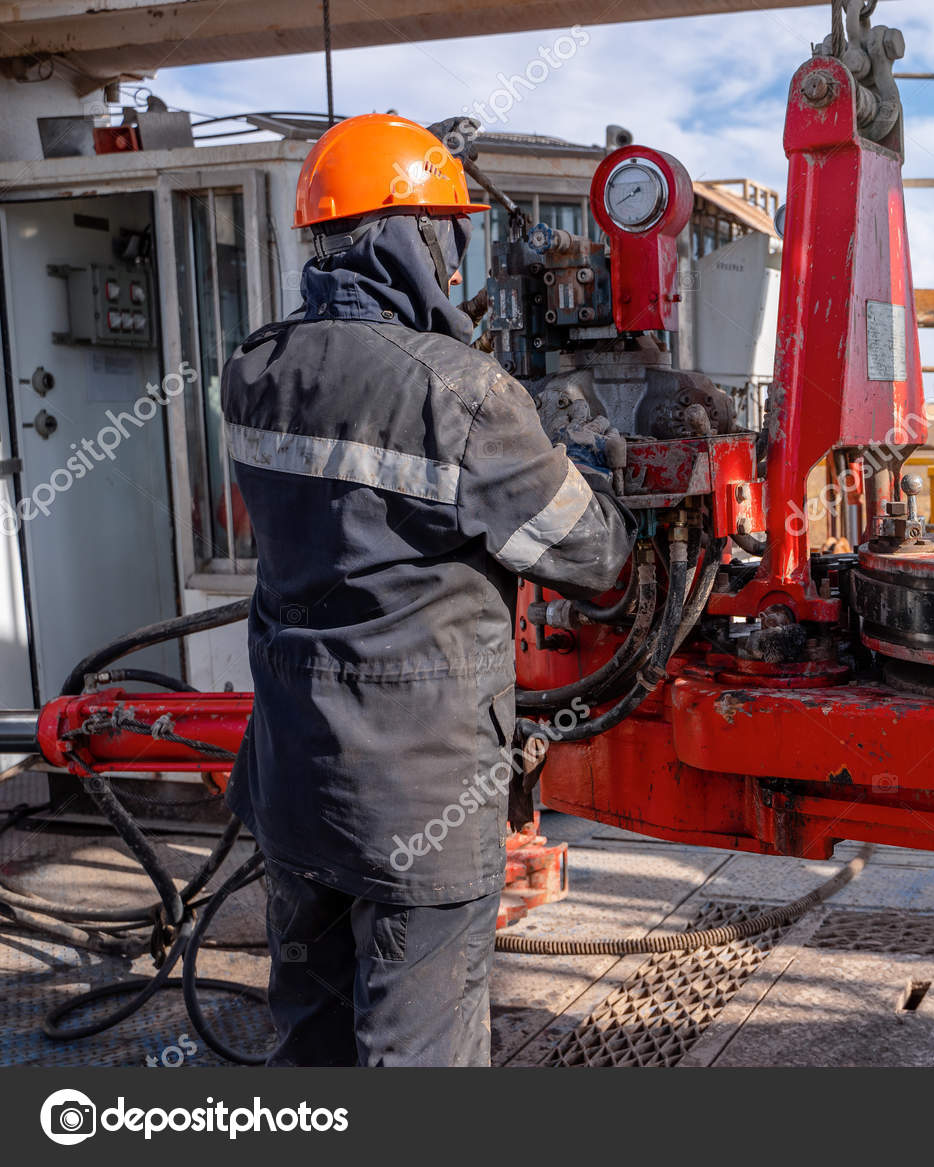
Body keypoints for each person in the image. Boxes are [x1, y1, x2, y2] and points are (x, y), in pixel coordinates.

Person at [221, 114, 633, 1066]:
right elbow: (593, 553)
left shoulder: (254, 370)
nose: (457, 261)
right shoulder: (466, 394)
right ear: (415, 237)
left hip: (293, 780)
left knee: (313, 1044)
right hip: (418, 805)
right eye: (451, 235)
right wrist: (580, 466)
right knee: (421, 1058)